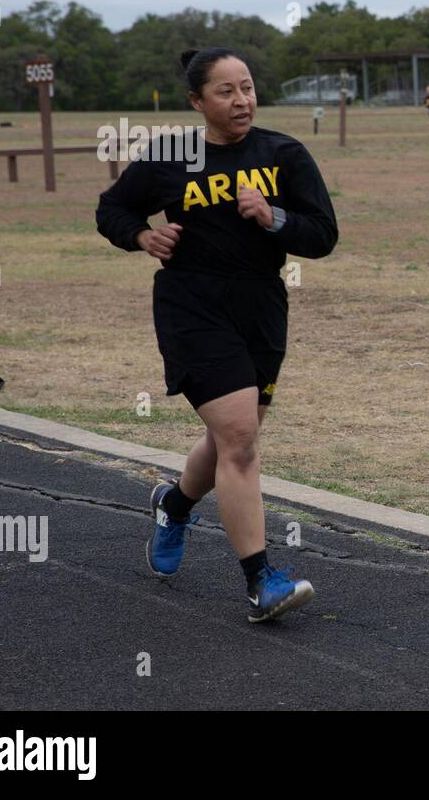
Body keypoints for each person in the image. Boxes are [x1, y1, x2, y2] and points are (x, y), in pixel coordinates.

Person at [96, 46, 339, 622]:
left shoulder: (282, 153)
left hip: (260, 306)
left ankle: (174, 503)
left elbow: (323, 234)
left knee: (236, 436)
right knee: (240, 440)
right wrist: (141, 238)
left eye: (248, 88)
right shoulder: (171, 157)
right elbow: (112, 209)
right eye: (226, 91)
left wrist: (272, 216)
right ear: (197, 102)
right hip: (192, 305)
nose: (242, 100)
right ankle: (261, 582)